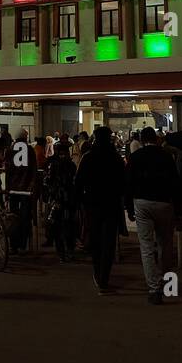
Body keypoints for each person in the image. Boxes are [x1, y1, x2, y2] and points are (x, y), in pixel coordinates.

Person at [124, 126, 180, 305]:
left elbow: (129, 183)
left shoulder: (136, 157)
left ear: (141, 140)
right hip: (164, 203)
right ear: (156, 139)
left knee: (147, 247)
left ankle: (154, 288)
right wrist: (178, 209)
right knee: (166, 244)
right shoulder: (166, 156)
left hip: (142, 203)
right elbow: (175, 182)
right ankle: (169, 285)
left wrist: (129, 208)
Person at [73, 126, 124, 294]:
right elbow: (123, 182)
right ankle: (104, 277)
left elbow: (79, 182)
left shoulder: (88, 157)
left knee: (95, 240)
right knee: (109, 242)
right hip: (112, 204)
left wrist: (79, 201)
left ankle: (97, 272)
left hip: (93, 205)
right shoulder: (116, 158)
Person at [44, 141, 79, 261]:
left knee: (59, 226)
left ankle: (63, 253)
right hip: (66, 199)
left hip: (60, 199)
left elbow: (47, 181)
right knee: (67, 226)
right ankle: (68, 251)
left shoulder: (53, 164)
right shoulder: (70, 165)